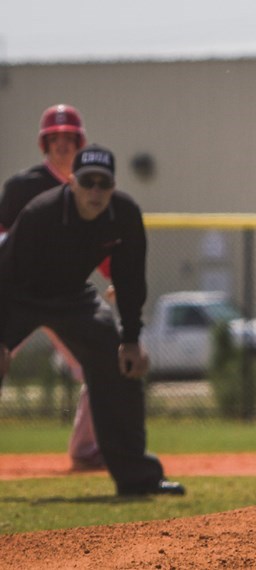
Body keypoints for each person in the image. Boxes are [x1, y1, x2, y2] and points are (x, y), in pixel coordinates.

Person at [0, 144, 185, 496]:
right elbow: (4, 274)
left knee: (119, 361)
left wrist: (130, 339)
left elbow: (130, 278)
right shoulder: (41, 212)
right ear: (72, 182)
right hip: (18, 295)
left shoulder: (124, 214)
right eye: (88, 182)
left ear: (114, 185)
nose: (96, 191)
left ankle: (138, 478)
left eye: (104, 183)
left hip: (73, 296)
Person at [0, 104, 106, 471]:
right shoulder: (21, 187)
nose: (62, 145)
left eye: (69, 138)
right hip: (18, 296)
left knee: (104, 362)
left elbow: (104, 245)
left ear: (80, 143)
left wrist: (117, 280)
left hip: (66, 298)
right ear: (44, 144)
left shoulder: (90, 188)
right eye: (55, 138)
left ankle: (85, 448)